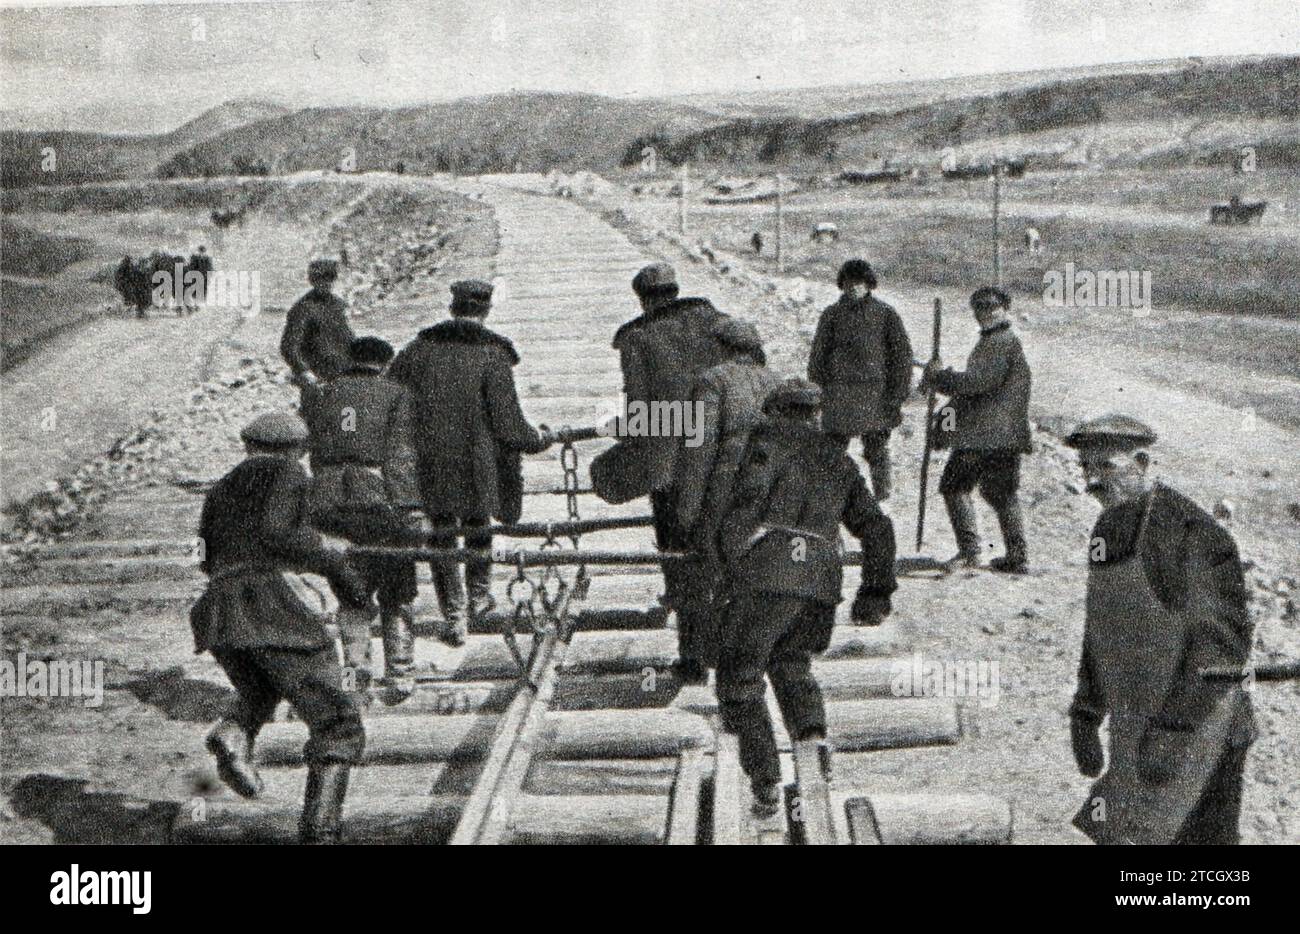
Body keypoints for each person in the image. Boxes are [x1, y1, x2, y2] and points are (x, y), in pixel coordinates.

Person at [1065, 414, 1256, 845]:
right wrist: (1086, 710)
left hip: (1201, 725)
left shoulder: (1195, 533)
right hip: (1136, 725)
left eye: (1106, 467)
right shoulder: (1106, 530)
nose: (1092, 481)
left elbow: (1222, 650)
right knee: (1121, 833)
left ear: (1143, 461)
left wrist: (1173, 732)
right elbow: (1101, 626)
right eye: (1085, 468)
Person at [715, 378, 898, 817]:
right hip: (820, 582)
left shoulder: (758, 449)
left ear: (775, 412)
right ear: (815, 414)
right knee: (792, 663)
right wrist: (874, 593)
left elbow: (740, 508)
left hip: (765, 576)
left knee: (739, 678)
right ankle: (812, 746)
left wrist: (723, 562)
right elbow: (878, 529)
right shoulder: (840, 461)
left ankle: (764, 783)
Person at [190, 413, 369, 844]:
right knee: (338, 725)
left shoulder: (221, 488)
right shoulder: (288, 472)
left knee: (261, 691)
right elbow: (279, 533)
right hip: (273, 607)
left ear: (248, 445)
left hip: (221, 610)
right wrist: (333, 558)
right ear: (297, 449)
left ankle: (232, 733)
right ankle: (320, 833)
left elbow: (205, 557)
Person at [389, 279, 555, 646]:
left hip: (431, 463)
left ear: (452, 308)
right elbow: (509, 423)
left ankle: (454, 614)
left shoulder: (419, 349)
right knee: (479, 526)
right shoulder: (493, 354)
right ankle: (479, 598)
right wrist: (539, 439)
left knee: (442, 534)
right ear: (486, 310)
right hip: (478, 465)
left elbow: (390, 394)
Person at [612, 262, 731, 682]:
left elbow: (640, 409)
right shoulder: (718, 324)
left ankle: (693, 657)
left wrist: (625, 436)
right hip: (723, 458)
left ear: (643, 299)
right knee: (722, 549)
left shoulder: (639, 339)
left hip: (671, 469)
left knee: (680, 556)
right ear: (676, 291)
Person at [303, 336, 426, 700]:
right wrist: (409, 508)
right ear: (385, 364)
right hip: (377, 499)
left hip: (328, 500)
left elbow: (317, 447)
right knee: (397, 584)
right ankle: (401, 674)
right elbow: (401, 456)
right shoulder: (395, 394)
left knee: (350, 589)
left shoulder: (323, 394)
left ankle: (355, 675)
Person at [672, 318, 783, 678]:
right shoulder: (776, 381)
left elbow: (697, 451)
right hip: (769, 493)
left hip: (726, 494)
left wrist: (687, 511)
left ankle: (696, 661)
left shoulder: (711, 382)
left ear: (720, 347)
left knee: (701, 574)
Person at [921, 286, 1031, 573]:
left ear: (1006, 310)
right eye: (979, 308)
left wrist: (941, 378)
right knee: (1000, 493)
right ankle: (1016, 556)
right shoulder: (994, 342)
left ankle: (971, 553)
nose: (985, 313)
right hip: (1001, 434)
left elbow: (976, 384)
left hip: (985, 435)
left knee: (955, 487)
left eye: (992, 307)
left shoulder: (1001, 342)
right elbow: (973, 389)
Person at [808, 259, 913, 501]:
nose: (854, 287)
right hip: (838, 396)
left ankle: (883, 500)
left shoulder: (885, 314)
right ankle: (827, 500)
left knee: (876, 451)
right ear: (842, 285)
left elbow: (901, 360)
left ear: (869, 284)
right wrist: (818, 393)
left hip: (875, 398)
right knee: (831, 453)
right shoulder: (831, 315)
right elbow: (817, 358)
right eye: (849, 282)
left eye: (860, 283)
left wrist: (896, 397)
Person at [280, 259, 355, 398]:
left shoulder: (338, 305)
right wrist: (304, 372)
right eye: (320, 279)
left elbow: (348, 337)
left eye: (330, 278)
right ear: (313, 280)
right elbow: (289, 347)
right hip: (317, 377)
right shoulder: (302, 308)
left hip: (343, 372)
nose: (326, 283)